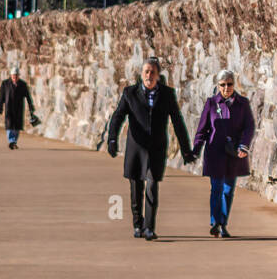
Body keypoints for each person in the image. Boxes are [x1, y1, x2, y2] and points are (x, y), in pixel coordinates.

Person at [107, 57, 196, 241]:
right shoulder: (130, 93)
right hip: (136, 148)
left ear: (158, 75)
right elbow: (118, 117)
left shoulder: (167, 94)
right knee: (136, 188)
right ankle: (138, 224)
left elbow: (177, 121)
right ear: (141, 75)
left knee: (152, 186)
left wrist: (186, 149)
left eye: (152, 72)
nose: (149, 75)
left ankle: (149, 227)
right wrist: (112, 140)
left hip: (156, 148)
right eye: (146, 72)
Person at [192, 69, 255, 238]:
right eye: (222, 85)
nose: (226, 88)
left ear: (234, 84)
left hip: (233, 153)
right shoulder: (211, 103)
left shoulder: (243, 103)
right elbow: (203, 129)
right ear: (218, 85)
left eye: (229, 84)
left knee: (228, 190)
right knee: (216, 188)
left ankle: (223, 223)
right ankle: (216, 222)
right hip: (215, 152)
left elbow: (249, 126)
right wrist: (196, 149)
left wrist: (244, 146)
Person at [0, 66, 37, 150]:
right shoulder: (5, 83)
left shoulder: (23, 84)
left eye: (16, 76)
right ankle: (11, 141)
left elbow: (28, 97)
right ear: (11, 76)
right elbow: (1, 96)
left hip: (19, 107)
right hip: (9, 107)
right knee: (9, 124)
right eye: (13, 76)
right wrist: (0, 106)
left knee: (17, 126)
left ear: (19, 76)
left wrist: (31, 106)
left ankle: (14, 141)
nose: (15, 77)